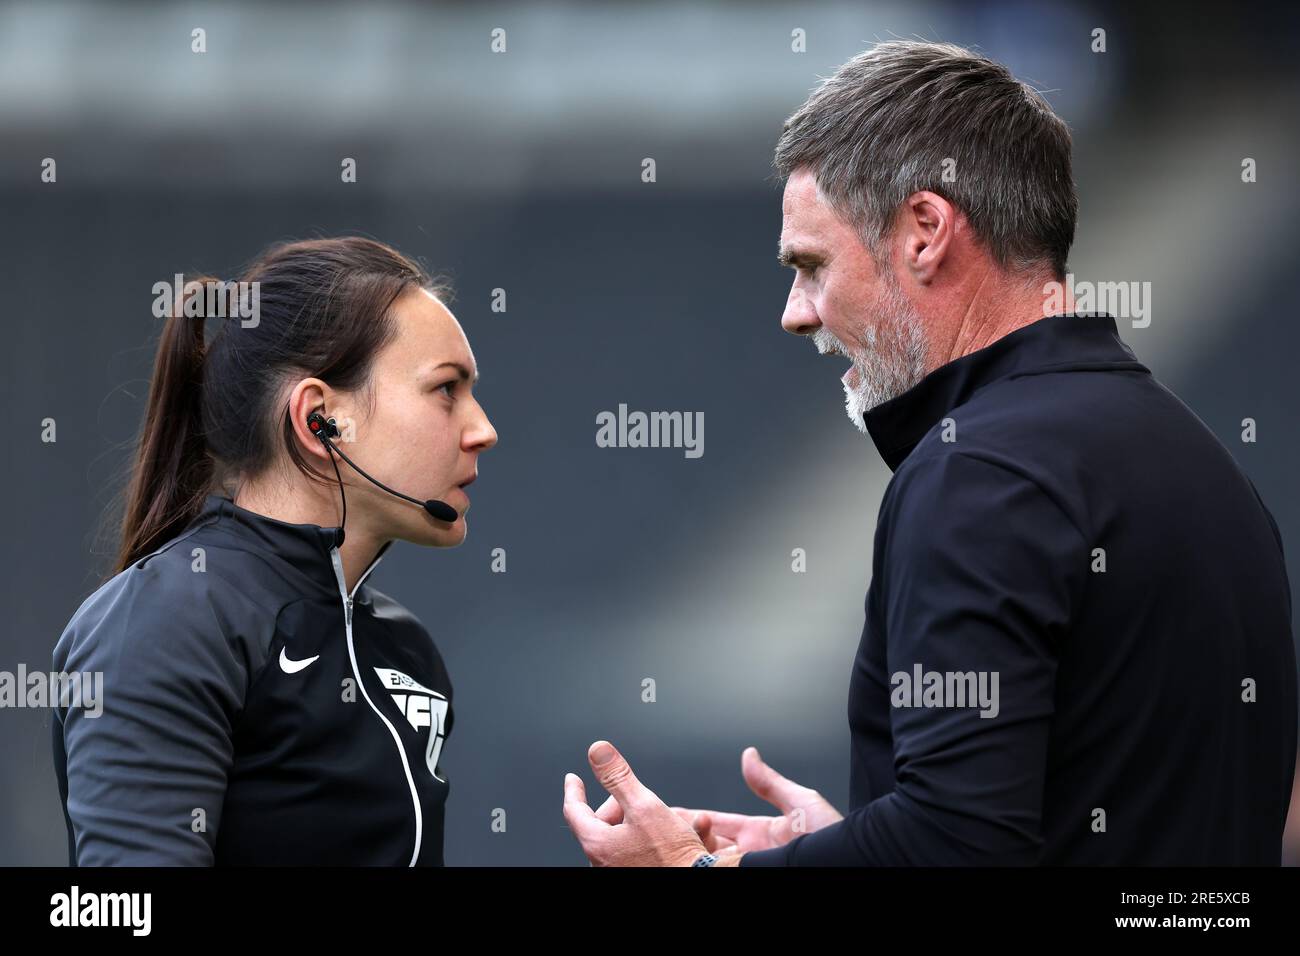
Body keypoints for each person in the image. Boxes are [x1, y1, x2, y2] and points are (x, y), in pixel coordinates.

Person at [562, 40, 1297, 866]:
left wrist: (694, 869)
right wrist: (853, 839)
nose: (795, 314)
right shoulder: (1209, 468)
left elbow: (958, 844)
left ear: (923, 231)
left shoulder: (976, 471)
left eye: (810, 266)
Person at [52, 236, 497, 865]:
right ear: (321, 419)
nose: (483, 430)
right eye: (447, 389)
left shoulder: (404, 646)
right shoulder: (168, 620)